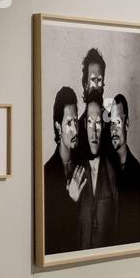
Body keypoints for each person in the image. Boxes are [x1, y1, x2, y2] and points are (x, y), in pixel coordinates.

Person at [43, 86, 86, 256]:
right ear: (58, 127)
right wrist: (71, 201)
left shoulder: (83, 164)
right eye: (69, 123)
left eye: (76, 121)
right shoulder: (46, 174)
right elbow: (51, 237)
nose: (75, 129)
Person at [77, 90, 118, 250]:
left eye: (98, 124)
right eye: (89, 123)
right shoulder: (75, 170)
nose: (94, 131)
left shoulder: (112, 172)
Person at [110, 93, 140, 245]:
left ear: (127, 123)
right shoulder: (104, 166)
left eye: (117, 122)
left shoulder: (138, 174)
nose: (113, 130)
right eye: (111, 124)